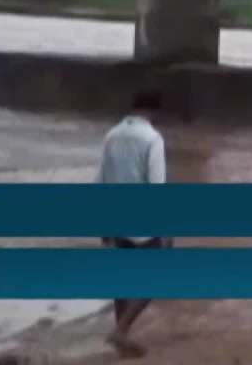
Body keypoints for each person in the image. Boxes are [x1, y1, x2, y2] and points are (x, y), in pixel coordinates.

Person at [97, 90, 169, 358]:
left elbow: (100, 180)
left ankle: (121, 335)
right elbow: (157, 186)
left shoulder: (112, 134)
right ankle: (121, 331)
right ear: (154, 112)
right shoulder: (152, 138)